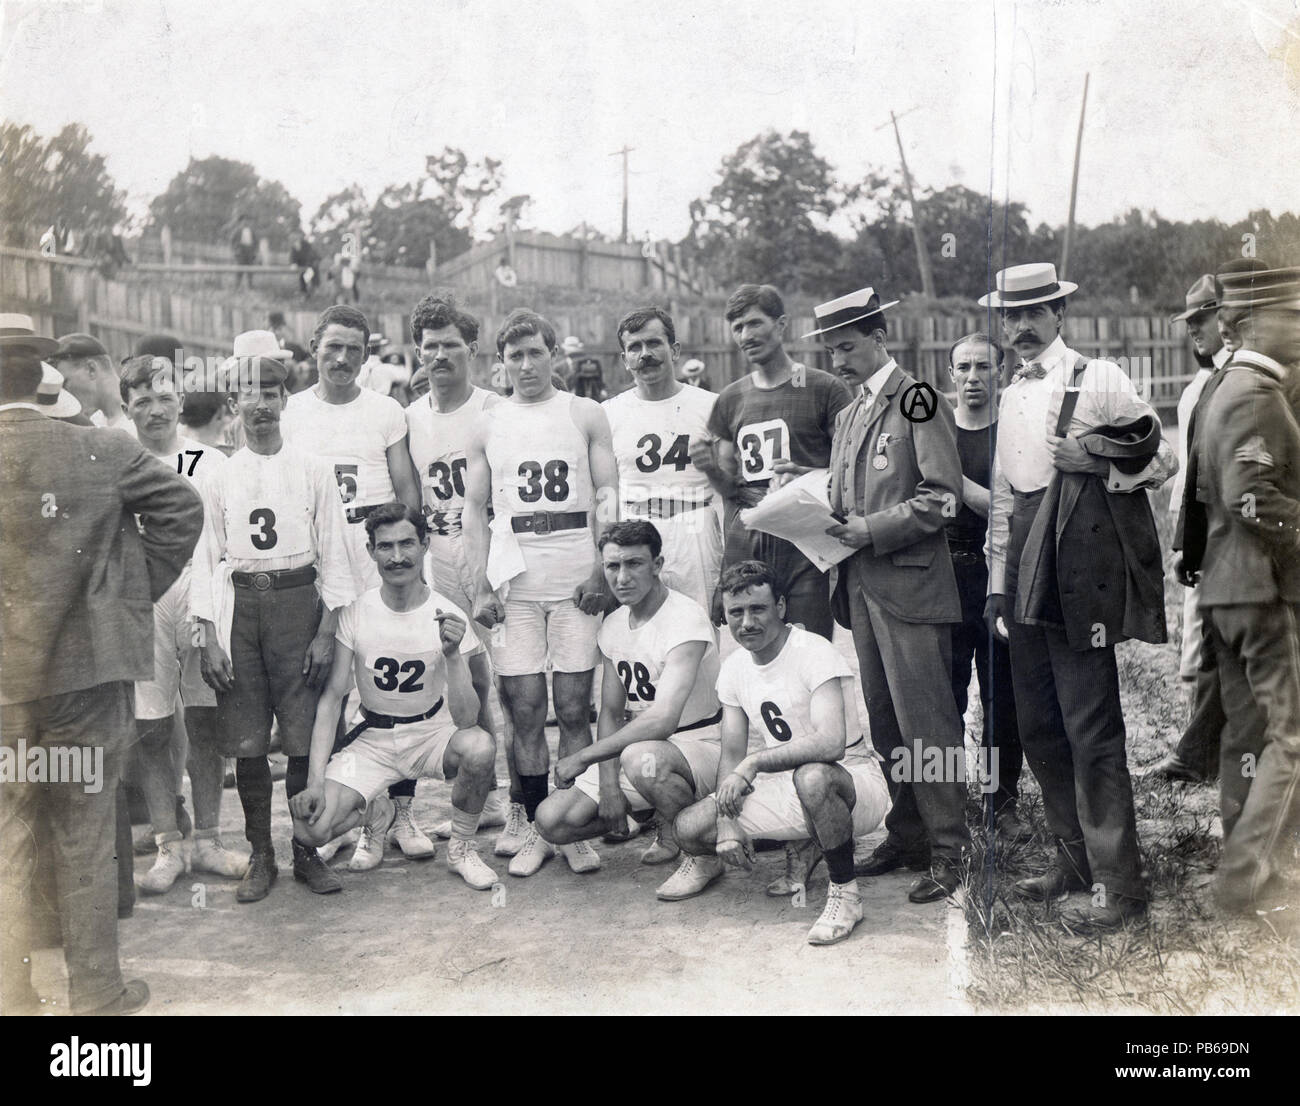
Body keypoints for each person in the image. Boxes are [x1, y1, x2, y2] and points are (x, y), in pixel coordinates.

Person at [1, 314, 203, 1015]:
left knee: (8, 837)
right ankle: (95, 994)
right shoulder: (101, 449)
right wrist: (126, 591)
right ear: (41, 375)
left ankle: (13, 994)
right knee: (85, 836)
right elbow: (182, 506)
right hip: (87, 682)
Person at [981, 263, 1175, 934]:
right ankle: (1073, 860)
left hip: (1078, 568)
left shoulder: (1099, 378)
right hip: (1025, 573)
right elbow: (1005, 502)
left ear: (1059, 314)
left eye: (1035, 311)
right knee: (1038, 725)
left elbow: (1162, 460)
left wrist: (1095, 462)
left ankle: (1120, 884)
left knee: (1091, 729)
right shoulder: (1009, 396)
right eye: (1012, 315)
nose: (1022, 326)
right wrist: (998, 589)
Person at [817, 287, 971, 903]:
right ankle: (907, 832)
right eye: (832, 350)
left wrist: (871, 529)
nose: (839, 359)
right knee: (885, 723)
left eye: (848, 346)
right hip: (860, 588)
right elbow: (847, 493)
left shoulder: (915, 399)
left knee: (928, 725)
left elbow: (943, 495)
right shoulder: (852, 412)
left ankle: (950, 848)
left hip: (909, 586)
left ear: (881, 337)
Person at [190, 355, 358, 903]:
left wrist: (327, 630)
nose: (261, 404)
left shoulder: (313, 468)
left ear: (286, 401)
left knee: (305, 732)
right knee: (247, 739)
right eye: (248, 394)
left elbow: (335, 553)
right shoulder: (217, 473)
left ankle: (304, 849)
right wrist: (209, 636)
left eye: (271, 393)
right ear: (233, 405)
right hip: (241, 606)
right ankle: (261, 853)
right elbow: (206, 556)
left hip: (297, 603)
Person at [463, 308, 618, 876]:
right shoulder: (487, 421)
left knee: (576, 704)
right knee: (524, 709)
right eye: (514, 356)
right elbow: (474, 513)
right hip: (515, 573)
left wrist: (604, 570)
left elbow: (608, 494)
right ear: (500, 363)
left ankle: (569, 824)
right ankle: (532, 825)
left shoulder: (585, 412)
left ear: (554, 355)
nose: (526, 365)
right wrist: (479, 583)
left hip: (575, 565)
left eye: (535, 353)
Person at [673, 561, 889, 946]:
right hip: (790, 784)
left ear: (782, 607)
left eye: (758, 609)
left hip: (852, 781)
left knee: (813, 776)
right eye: (736, 612)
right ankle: (806, 844)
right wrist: (726, 820)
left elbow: (830, 744)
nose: (747, 622)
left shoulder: (813, 650)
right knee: (690, 828)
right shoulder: (734, 667)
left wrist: (754, 764)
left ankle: (845, 894)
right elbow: (732, 751)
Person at [289, 503, 500, 890]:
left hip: (429, 734)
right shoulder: (356, 611)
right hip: (374, 738)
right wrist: (316, 781)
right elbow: (333, 698)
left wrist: (452, 657)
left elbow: (468, 718)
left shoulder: (447, 612)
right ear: (370, 551)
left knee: (479, 748)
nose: (397, 557)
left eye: (407, 544)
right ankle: (376, 811)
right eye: (385, 547)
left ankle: (462, 849)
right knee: (310, 828)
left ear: (424, 546)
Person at [281, 305, 425, 870]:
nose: (342, 359)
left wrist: (393, 558)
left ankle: (403, 813)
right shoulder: (292, 413)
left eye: (354, 350)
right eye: (332, 347)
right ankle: (351, 814)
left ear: (367, 355)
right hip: (316, 558)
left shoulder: (385, 410)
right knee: (330, 687)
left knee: (392, 681)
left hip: (373, 553)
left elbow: (408, 494)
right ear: (313, 346)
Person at [1184, 265, 1300, 919]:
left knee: (1249, 738)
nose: (1299, 329)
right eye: (1292, 317)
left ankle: (1249, 875)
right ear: (1255, 323)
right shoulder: (1257, 394)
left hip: (1226, 594)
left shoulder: (1228, 386)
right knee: (1292, 738)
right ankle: (1239, 883)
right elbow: (1250, 496)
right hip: (1261, 590)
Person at [117, 357, 249, 893]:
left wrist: (212, 612)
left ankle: (211, 839)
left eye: (163, 398)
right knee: (149, 726)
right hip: (143, 600)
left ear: (179, 402)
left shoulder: (208, 461)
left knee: (205, 722)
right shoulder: (119, 459)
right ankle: (170, 845)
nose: (154, 410)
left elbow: (224, 542)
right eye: (141, 401)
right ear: (126, 407)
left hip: (201, 594)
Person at [534, 519, 723, 889]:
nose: (622, 577)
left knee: (643, 761)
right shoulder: (615, 624)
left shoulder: (685, 619)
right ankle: (666, 821)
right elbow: (609, 712)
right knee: (552, 820)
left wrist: (584, 756)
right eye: (612, 566)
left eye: (634, 564)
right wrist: (608, 787)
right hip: (641, 748)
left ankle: (701, 854)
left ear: (657, 564)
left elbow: (664, 720)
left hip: (701, 744)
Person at [403, 291, 515, 845]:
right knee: (467, 677)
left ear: (472, 348)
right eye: (430, 347)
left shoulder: (494, 408)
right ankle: (486, 796)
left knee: (514, 681)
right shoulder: (408, 419)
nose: (440, 355)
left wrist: (491, 574)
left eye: (451, 345)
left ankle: (523, 804)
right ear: (417, 353)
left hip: (491, 551)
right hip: (437, 555)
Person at [702, 283, 852, 638]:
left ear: (781, 324)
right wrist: (708, 467)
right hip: (750, 536)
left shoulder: (824, 387)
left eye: (754, 323)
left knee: (809, 645)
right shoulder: (730, 398)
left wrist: (809, 476)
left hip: (803, 539)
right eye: (737, 327)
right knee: (756, 647)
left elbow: (850, 468)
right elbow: (729, 490)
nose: (746, 335)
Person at [1149, 274, 1236, 784]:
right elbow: (1189, 473)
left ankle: (1201, 752)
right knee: (1204, 649)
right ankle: (1201, 748)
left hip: (1230, 536)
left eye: (1202, 319)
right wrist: (1184, 540)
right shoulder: (1199, 387)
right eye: (1190, 322)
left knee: (1221, 648)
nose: (1193, 331)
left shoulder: (1240, 379)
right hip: (1203, 535)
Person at [944, 332, 1025, 839]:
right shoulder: (934, 434)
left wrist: (958, 487)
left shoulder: (1012, 435)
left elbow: (1014, 508)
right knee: (945, 696)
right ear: (950, 375)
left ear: (1000, 374)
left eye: (983, 368)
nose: (973, 378)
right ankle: (946, 802)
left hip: (997, 575)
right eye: (964, 368)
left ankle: (1003, 802)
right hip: (945, 577)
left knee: (1002, 696)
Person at [603, 306, 722, 613]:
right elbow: (604, 492)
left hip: (694, 526)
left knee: (699, 631)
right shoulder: (608, 413)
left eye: (654, 343)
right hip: (635, 530)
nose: (645, 354)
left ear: (675, 350)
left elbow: (730, 485)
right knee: (638, 636)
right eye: (635, 347)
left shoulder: (710, 406)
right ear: (624, 359)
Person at [51, 332, 130, 430]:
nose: (63, 394)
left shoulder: (141, 417)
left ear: (91, 369)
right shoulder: (95, 421)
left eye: (65, 383)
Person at [231, 213, 257, 289]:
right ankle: (237, 286)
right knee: (239, 269)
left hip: (250, 251)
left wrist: (254, 251)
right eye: (244, 220)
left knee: (250, 270)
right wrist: (235, 250)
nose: (246, 222)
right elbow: (232, 241)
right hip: (241, 251)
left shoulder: (252, 231)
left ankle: (250, 286)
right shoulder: (237, 230)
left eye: (247, 220)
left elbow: (256, 241)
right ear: (240, 222)